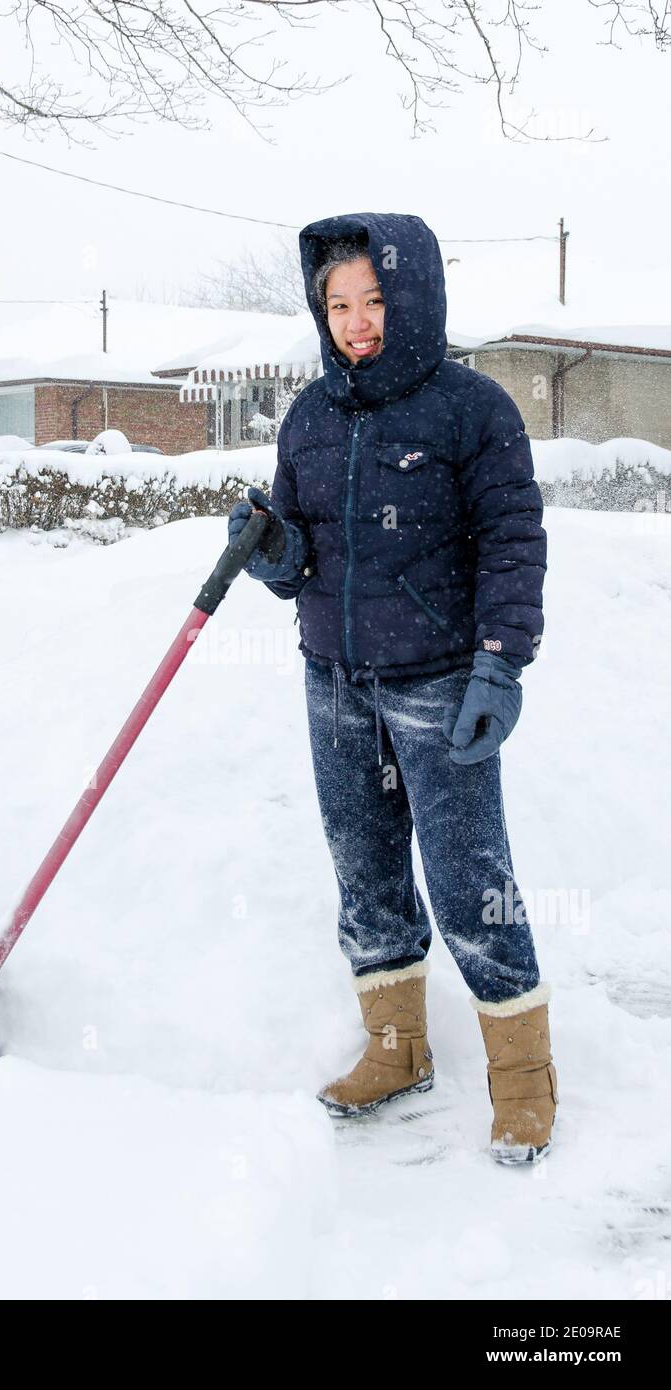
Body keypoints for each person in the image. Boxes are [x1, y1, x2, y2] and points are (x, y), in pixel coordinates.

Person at [228, 212, 557, 1165]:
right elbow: (300, 551)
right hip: (333, 681)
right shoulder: (309, 416)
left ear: (410, 298)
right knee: (365, 875)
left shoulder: (473, 408)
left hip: (441, 679)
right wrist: (275, 552)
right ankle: (396, 1046)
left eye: (374, 299)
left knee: (469, 881)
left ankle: (525, 1079)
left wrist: (501, 660)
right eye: (339, 303)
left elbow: (512, 541)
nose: (358, 321)